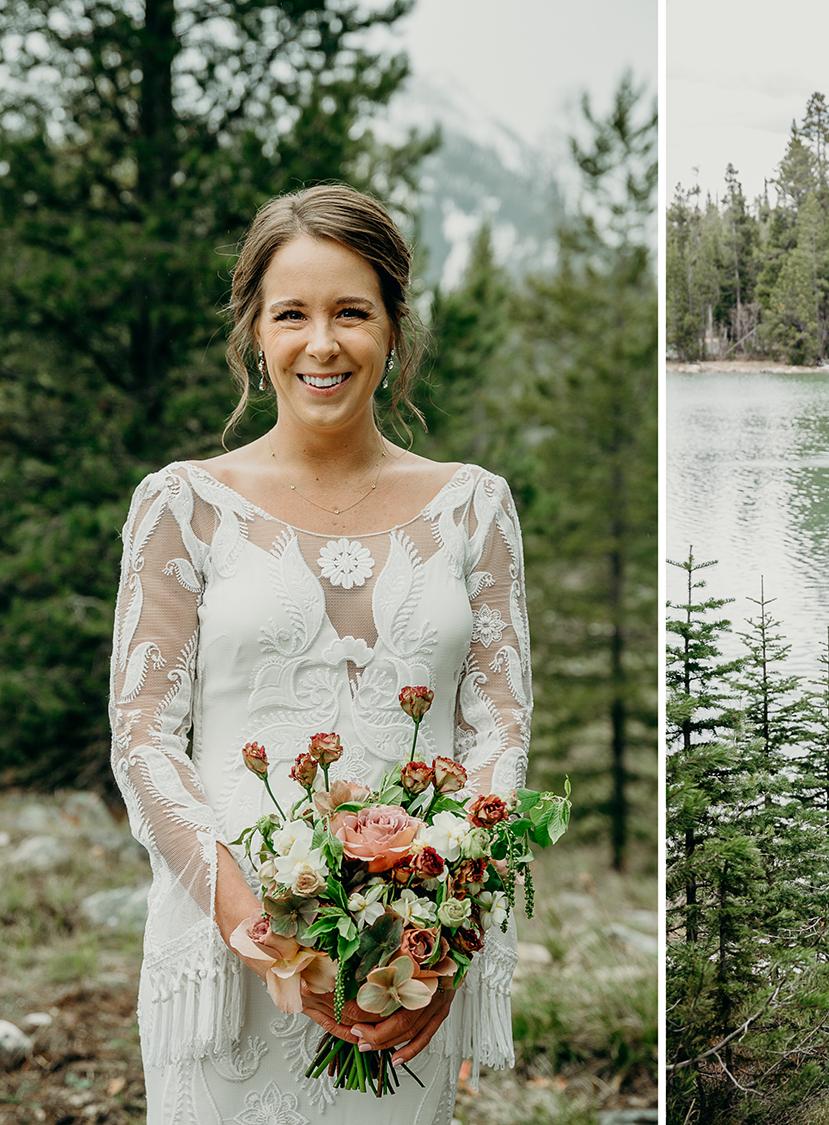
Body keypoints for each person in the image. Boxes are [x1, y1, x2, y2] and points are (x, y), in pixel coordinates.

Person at [108, 184, 529, 1124]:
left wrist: (441, 932)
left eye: (352, 312)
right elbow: (142, 736)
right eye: (292, 314)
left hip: (402, 965)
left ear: (394, 328)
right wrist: (258, 929)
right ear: (255, 334)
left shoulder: (473, 507)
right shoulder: (184, 505)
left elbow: (499, 727)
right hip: (229, 949)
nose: (323, 343)